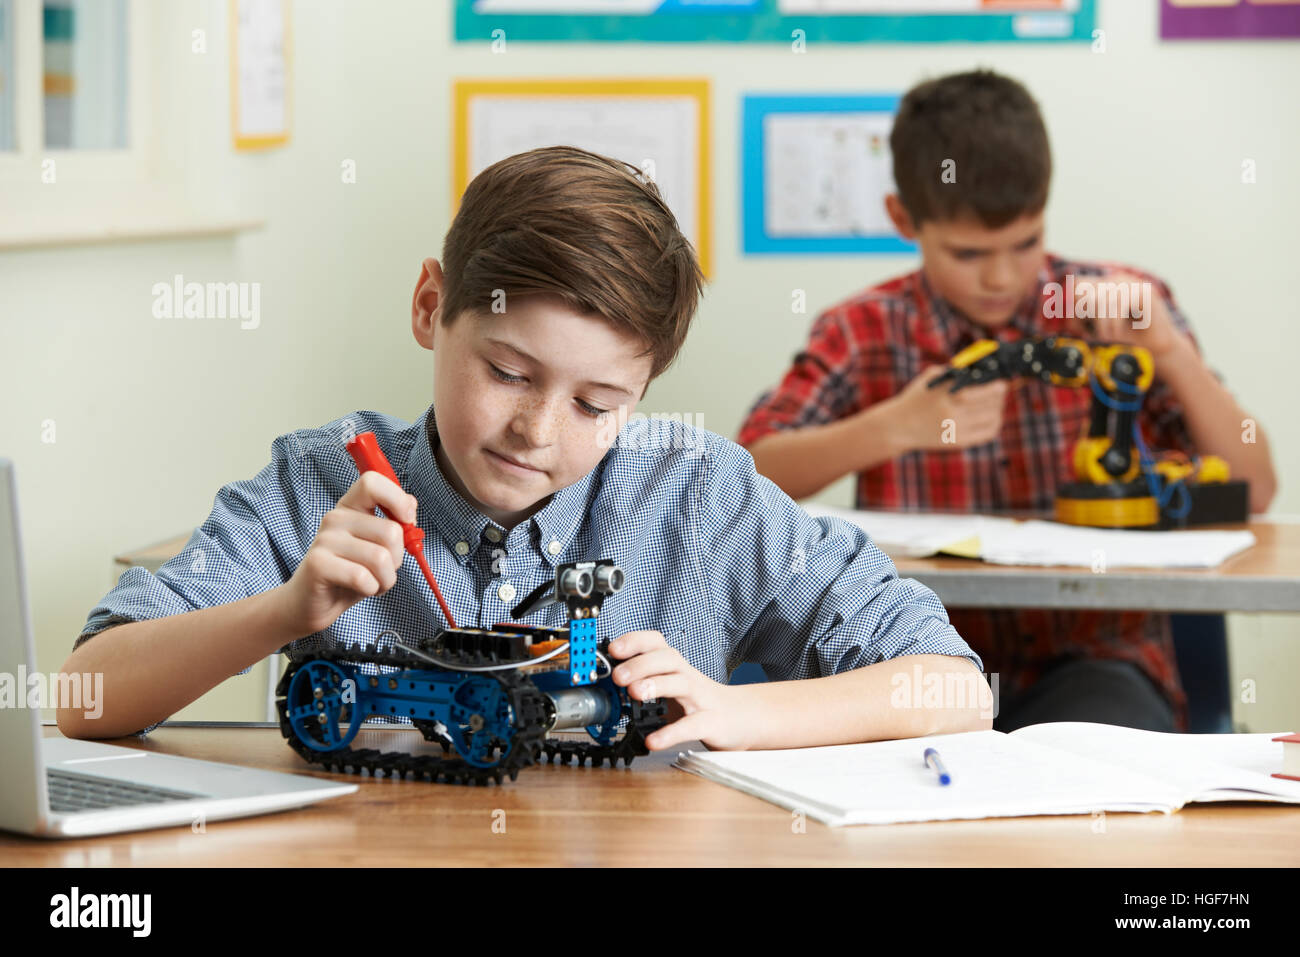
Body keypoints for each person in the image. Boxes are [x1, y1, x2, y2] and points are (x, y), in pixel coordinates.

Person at [59, 145, 991, 752]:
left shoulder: (700, 494)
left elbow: (954, 690)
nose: (538, 431)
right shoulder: (321, 480)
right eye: (508, 372)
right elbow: (83, 697)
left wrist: (738, 709)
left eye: (596, 401)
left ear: (644, 394)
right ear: (431, 308)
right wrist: (284, 609)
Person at [738, 70, 1275, 734]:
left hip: (1092, 660)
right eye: (968, 253)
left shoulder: (1119, 307)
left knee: (1094, 788)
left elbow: (1255, 487)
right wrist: (891, 428)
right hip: (912, 663)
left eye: (1025, 243)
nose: (1000, 277)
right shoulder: (863, 329)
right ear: (903, 219)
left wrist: (1173, 353)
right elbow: (749, 479)